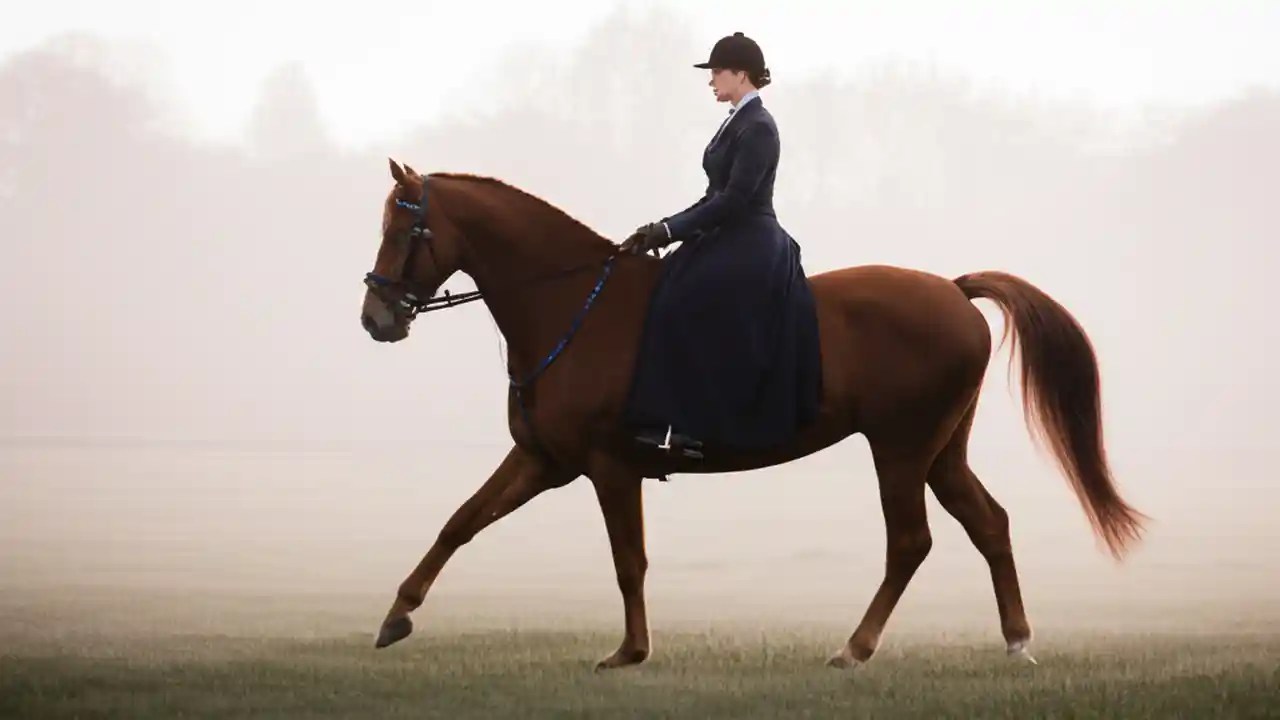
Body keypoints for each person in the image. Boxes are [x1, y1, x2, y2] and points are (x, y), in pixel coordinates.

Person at [620, 31, 822, 459]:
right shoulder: (734, 119)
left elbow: (735, 200)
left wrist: (672, 231)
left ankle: (693, 426)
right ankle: (659, 415)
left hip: (752, 237)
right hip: (727, 230)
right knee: (666, 285)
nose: (711, 80)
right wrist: (663, 226)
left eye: (717, 72)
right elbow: (714, 195)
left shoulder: (760, 127)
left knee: (688, 298)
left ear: (741, 74)